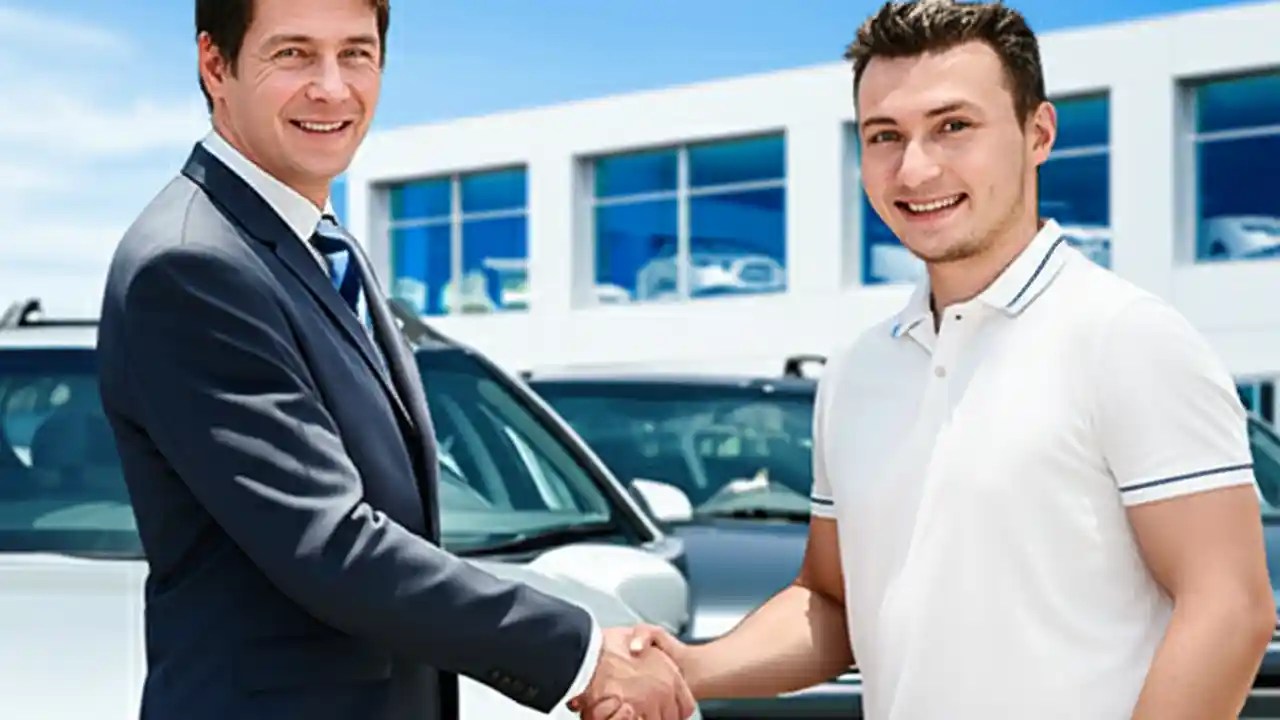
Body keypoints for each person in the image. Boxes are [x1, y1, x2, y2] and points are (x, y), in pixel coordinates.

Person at [624, 1, 1276, 718]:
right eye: (884, 135)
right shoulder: (856, 371)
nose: (916, 167)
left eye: (953, 127)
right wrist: (692, 665)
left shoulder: (1127, 339)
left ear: (1038, 133)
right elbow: (834, 602)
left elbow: (1230, 608)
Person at [95, 1, 694, 719]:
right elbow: (330, 542)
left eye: (357, 53)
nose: (333, 87)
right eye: (293, 55)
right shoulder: (193, 264)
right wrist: (582, 656)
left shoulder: (315, 246)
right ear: (215, 64)